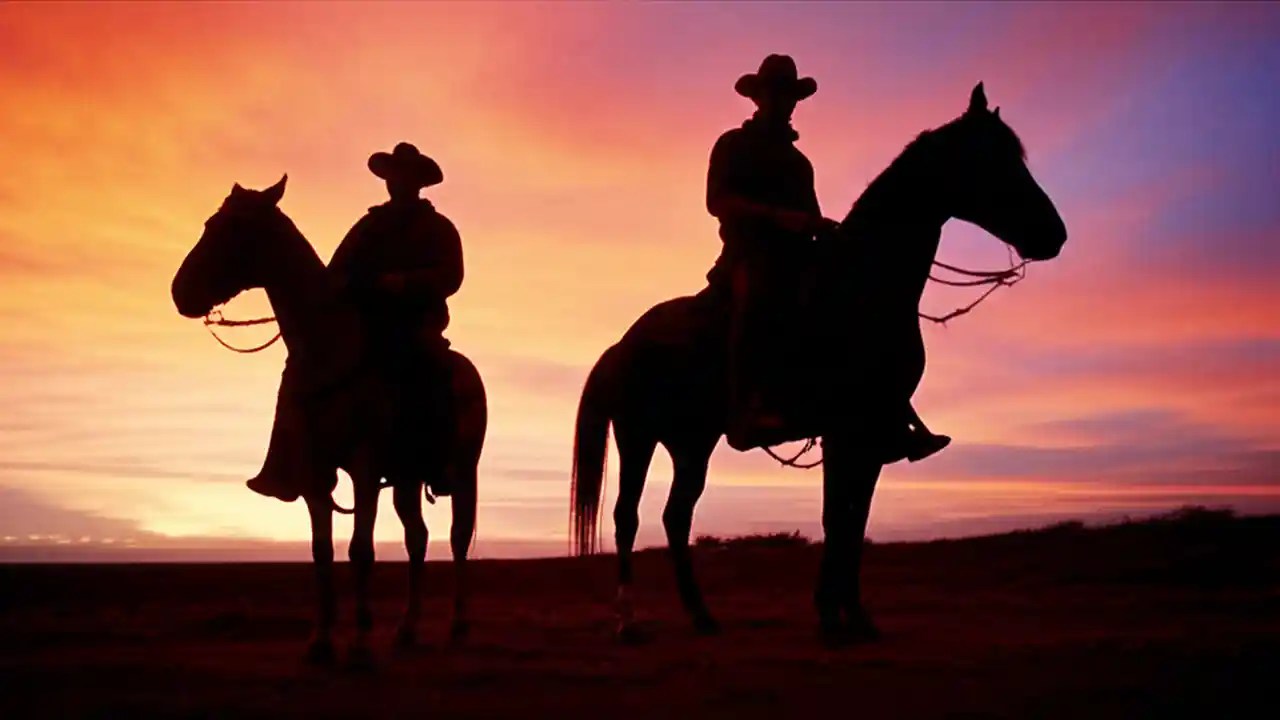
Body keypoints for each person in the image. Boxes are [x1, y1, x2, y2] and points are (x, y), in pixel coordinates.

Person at [707, 54, 949, 461]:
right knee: (759, 298)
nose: (783, 101)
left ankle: (891, 416)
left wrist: (823, 228)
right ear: (758, 96)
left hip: (799, 254)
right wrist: (783, 219)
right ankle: (750, 407)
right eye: (775, 92)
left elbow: (810, 214)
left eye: (789, 94)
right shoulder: (733, 144)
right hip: (750, 253)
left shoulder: (800, 163)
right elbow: (718, 201)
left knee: (858, 306)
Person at [246, 141, 462, 501]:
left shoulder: (438, 228)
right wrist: (346, 284)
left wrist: (405, 283)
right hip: (365, 319)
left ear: (418, 181)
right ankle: (283, 465)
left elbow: (451, 276)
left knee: (432, 369)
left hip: (414, 321)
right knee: (301, 367)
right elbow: (337, 269)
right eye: (393, 175)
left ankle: (441, 462)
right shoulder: (368, 225)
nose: (397, 181)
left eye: (404, 175)